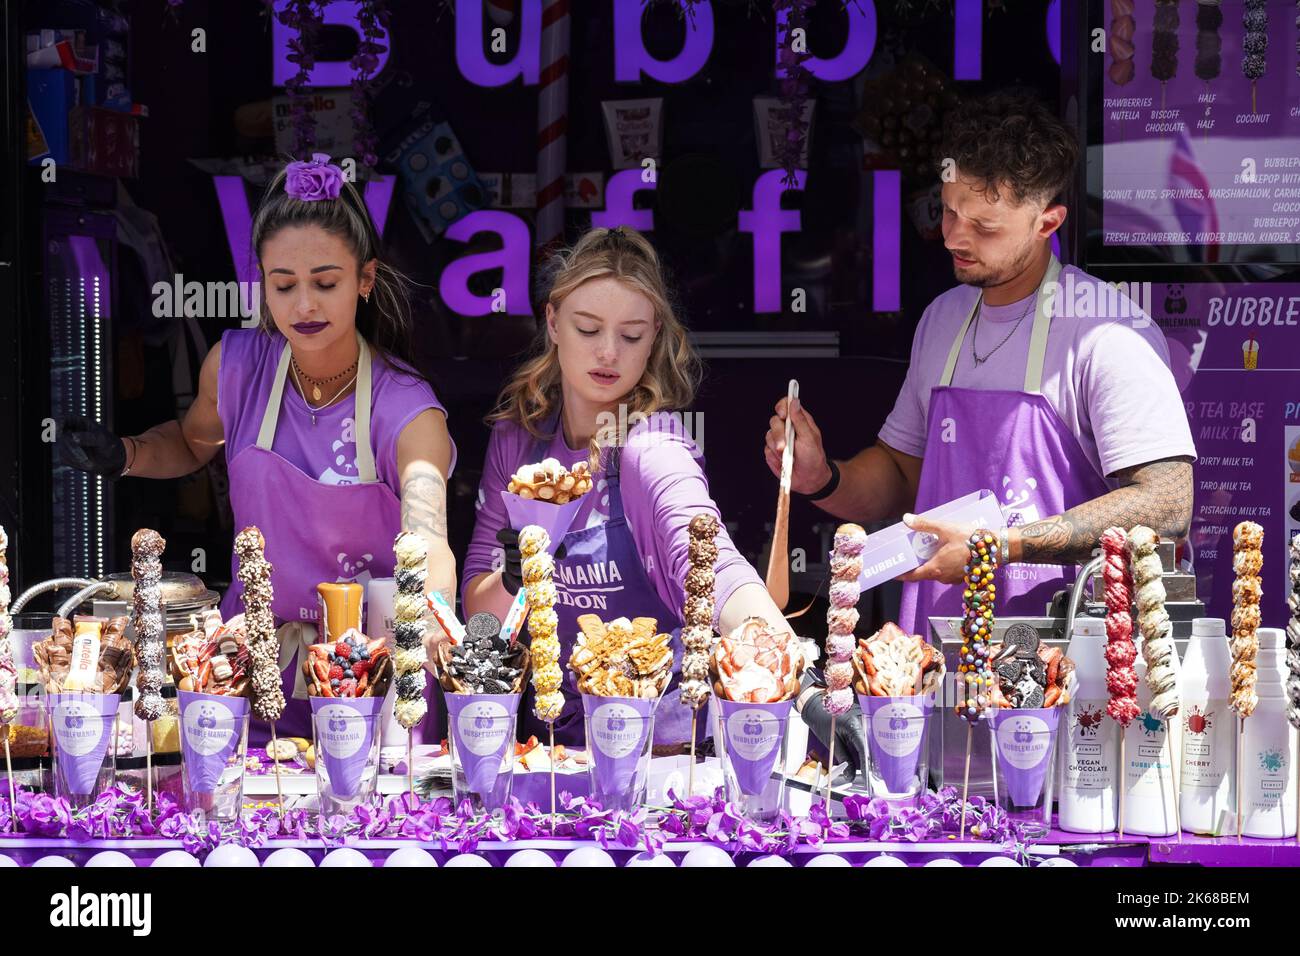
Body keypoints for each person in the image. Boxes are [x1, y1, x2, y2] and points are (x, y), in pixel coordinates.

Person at [765, 92, 1195, 762]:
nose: (954, 236)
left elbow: (1169, 504)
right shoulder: (943, 319)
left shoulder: (1106, 333)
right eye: (949, 211)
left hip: (1054, 663)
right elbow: (904, 476)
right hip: (931, 659)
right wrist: (825, 476)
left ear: (1047, 220)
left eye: (984, 226)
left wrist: (1001, 548)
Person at [57, 154, 457, 741]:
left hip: (373, 686)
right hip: (244, 672)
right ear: (260, 282)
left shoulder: (406, 408)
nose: (304, 306)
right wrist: (127, 454)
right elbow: (194, 443)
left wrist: (425, 616)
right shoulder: (238, 368)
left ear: (365, 280)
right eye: (283, 284)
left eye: (326, 283)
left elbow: (429, 540)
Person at [463, 226, 791, 748]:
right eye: (589, 329)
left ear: (655, 335)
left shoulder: (651, 445)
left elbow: (710, 561)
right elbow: (478, 624)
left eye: (632, 335)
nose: (609, 353)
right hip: (554, 745)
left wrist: (784, 658)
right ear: (552, 322)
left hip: (667, 748)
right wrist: (512, 578)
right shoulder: (518, 442)